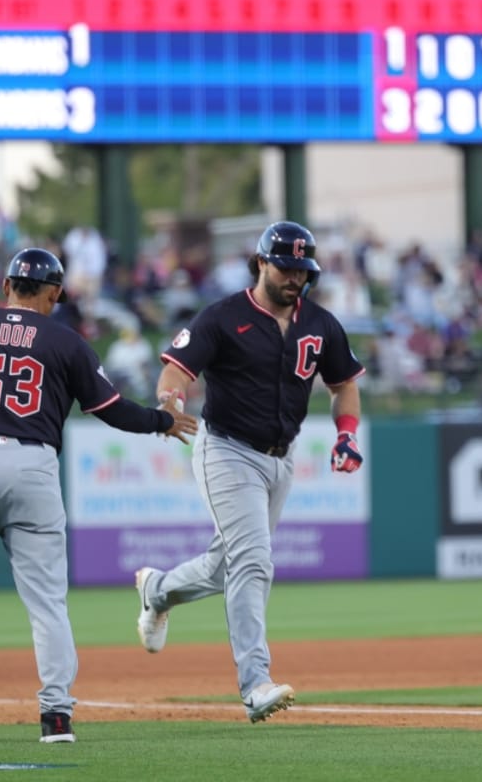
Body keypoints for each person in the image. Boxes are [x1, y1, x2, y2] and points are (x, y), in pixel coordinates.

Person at [0, 248, 197, 744]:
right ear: (54, 292)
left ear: (8, 285)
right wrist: (161, 420)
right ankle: (56, 715)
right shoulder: (65, 340)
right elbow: (112, 409)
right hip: (33, 465)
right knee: (47, 603)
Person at [133, 221, 366, 723]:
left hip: (281, 457)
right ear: (261, 262)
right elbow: (175, 369)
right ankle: (255, 683)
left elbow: (343, 384)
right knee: (255, 561)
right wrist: (170, 400)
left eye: (302, 270)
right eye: (285, 266)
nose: (294, 278)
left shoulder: (320, 323)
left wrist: (346, 433)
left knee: (227, 566)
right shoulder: (223, 317)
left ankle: (157, 591)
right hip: (226, 450)